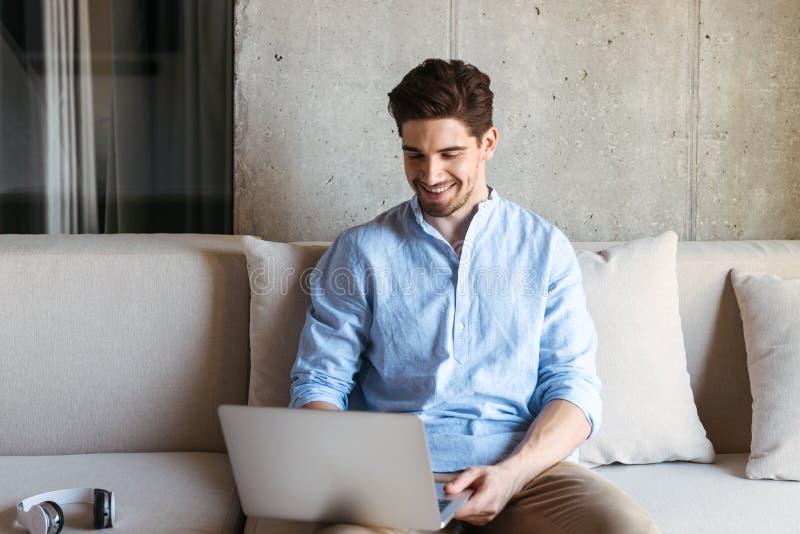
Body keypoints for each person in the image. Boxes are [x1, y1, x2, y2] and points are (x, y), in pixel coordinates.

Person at [287, 59, 659, 533]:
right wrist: (352, 470)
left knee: (627, 529)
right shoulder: (360, 250)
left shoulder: (544, 247)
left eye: (449, 154)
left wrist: (510, 475)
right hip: (396, 479)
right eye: (414, 155)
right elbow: (319, 384)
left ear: (488, 144)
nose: (430, 174)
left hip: (526, 473)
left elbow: (574, 389)